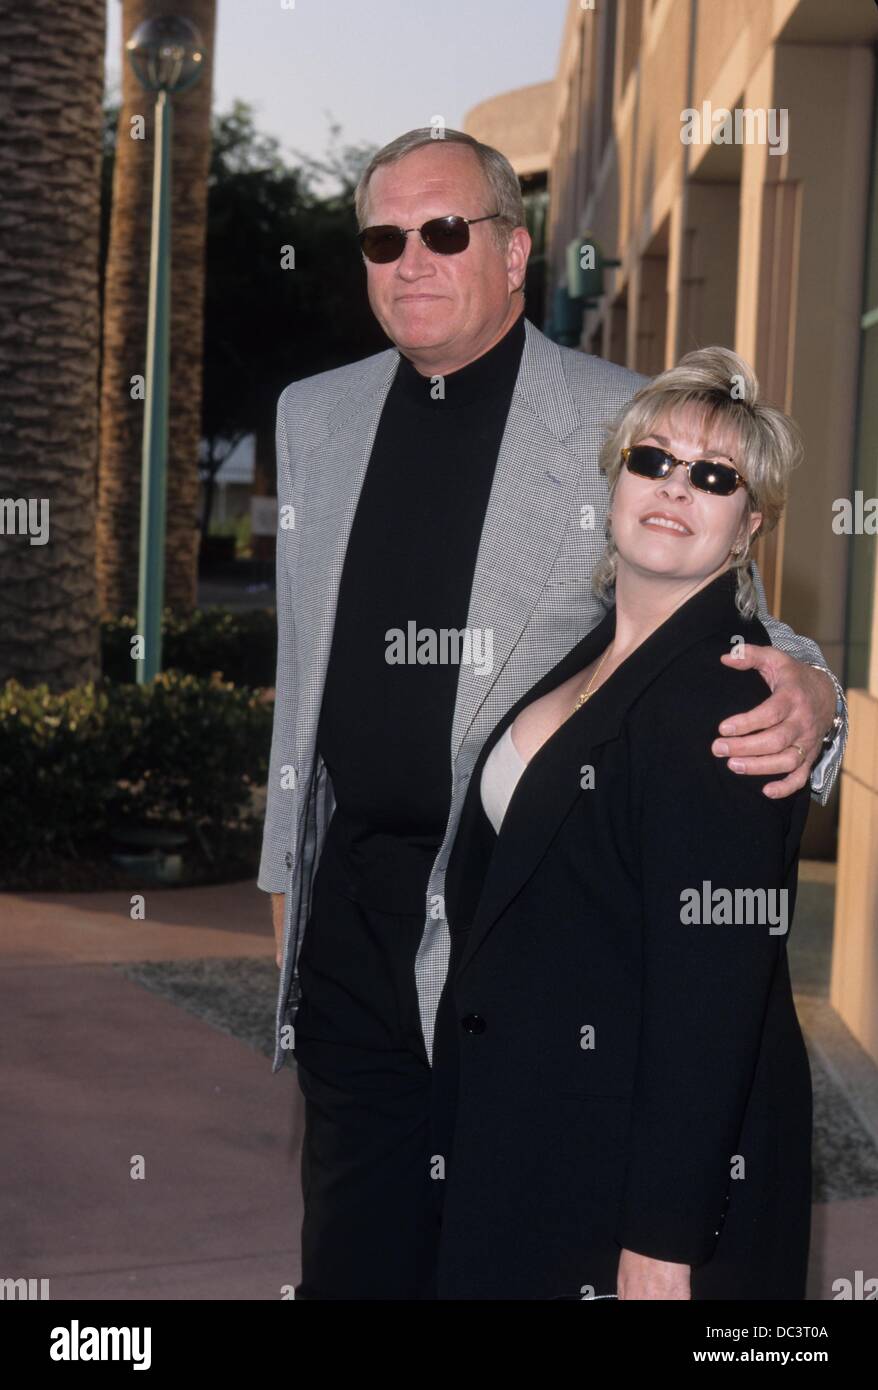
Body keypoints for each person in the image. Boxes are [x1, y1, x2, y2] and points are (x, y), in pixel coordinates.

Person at [256, 128, 846, 1300]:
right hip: (351, 931)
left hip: (516, 940)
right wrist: (287, 892)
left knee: (496, 1255)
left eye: (443, 231)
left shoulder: (621, 417)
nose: (409, 260)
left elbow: (729, 616)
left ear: (515, 253)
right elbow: (303, 674)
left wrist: (816, 692)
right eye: (382, 237)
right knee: (354, 1259)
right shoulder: (311, 418)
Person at [432, 346, 814, 1300]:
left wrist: (663, 1238)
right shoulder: (594, 649)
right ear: (615, 478)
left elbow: (716, 997)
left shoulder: (729, 699)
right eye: (654, 459)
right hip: (537, 1138)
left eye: (715, 477)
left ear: (747, 526)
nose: (676, 488)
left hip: (624, 1190)